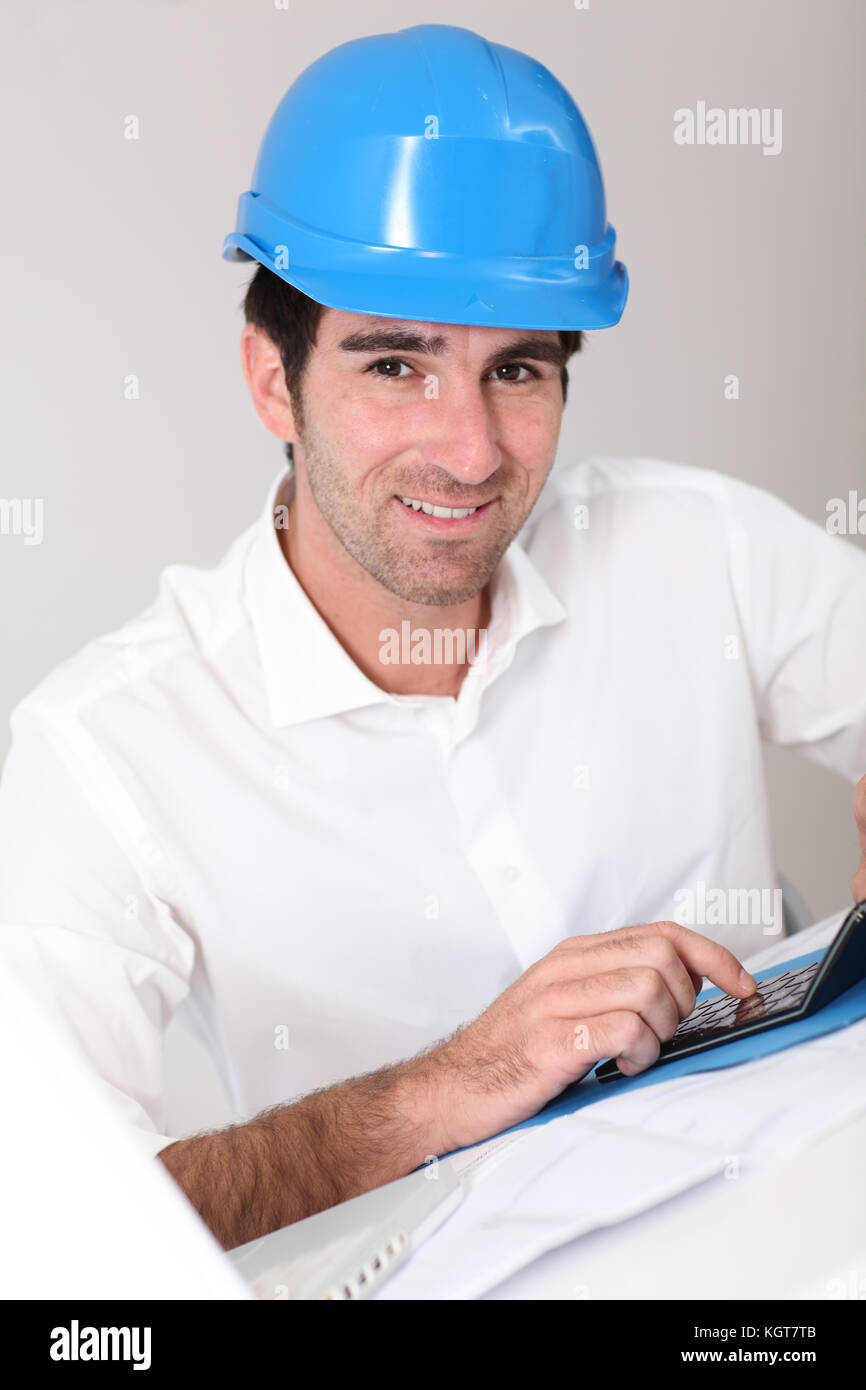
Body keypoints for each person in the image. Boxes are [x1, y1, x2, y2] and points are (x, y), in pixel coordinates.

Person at [1, 24, 864, 1253]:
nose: (468, 451)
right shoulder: (108, 752)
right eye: (395, 363)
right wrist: (440, 1088)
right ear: (269, 379)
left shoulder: (694, 543)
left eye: (515, 369)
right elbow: (46, 1222)